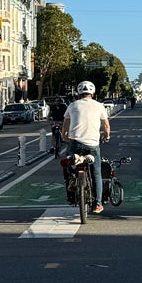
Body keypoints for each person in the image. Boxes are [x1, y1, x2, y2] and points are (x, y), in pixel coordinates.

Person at [60, 81, 111, 215]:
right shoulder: (100, 106)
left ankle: (72, 178)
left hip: (75, 142)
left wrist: (65, 137)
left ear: (79, 93)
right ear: (92, 93)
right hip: (92, 144)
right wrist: (106, 136)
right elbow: (106, 126)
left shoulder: (72, 105)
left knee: (69, 164)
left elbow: (65, 125)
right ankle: (98, 204)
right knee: (96, 173)